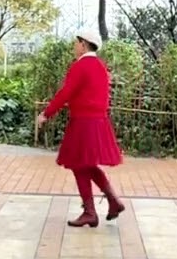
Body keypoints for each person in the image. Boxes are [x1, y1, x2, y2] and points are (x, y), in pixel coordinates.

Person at [35, 29, 126, 228]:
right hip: (98, 122)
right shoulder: (101, 66)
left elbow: (65, 93)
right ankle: (112, 202)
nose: (74, 46)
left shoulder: (80, 66)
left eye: (76, 43)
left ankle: (91, 211)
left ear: (83, 44)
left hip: (83, 122)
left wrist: (46, 113)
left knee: (79, 164)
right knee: (87, 164)